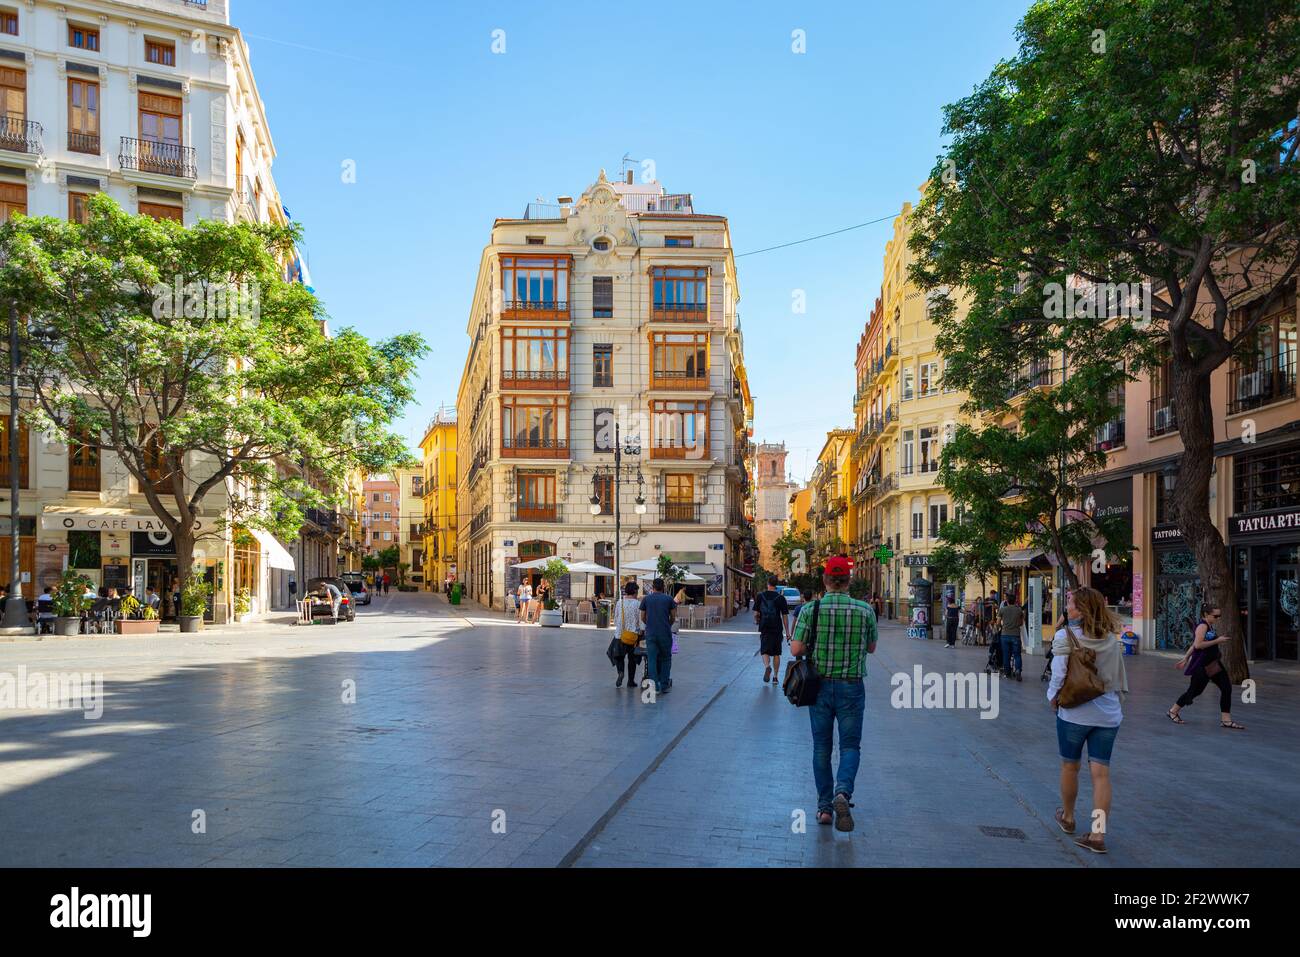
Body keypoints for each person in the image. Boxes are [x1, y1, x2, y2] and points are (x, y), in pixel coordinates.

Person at [790, 556, 877, 832]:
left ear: (825, 581)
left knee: (821, 748)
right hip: (852, 686)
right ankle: (843, 792)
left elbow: (795, 650)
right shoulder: (865, 610)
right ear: (848, 581)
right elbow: (872, 648)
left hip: (821, 686)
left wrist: (814, 647)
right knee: (850, 746)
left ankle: (825, 809)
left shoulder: (810, 610)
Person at [1047, 586, 1128, 854]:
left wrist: (1052, 698)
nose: (1067, 606)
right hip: (1107, 714)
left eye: (1070, 603)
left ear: (1081, 609)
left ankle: (1068, 818)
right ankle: (1098, 833)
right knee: (1101, 774)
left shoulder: (1064, 636)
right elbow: (1117, 677)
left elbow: (1058, 675)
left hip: (1074, 713)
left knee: (1070, 767)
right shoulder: (1110, 639)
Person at [1168, 607, 1243, 730]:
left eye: (1219, 616)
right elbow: (1198, 645)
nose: (1218, 618)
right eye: (1215, 616)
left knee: (1226, 688)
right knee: (1194, 691)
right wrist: (1217, 640)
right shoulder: (1202, 626)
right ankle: (1173, 711)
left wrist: (1186, 657)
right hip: (1202, 665)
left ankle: (1226, 720)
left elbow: (1194, 644)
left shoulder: (1210, 625)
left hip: (1214, 664)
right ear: (1206, 614)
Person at [639, 577, 676, 694]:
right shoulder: (669, 599)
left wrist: (649, 624)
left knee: (652, 659)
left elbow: (642, 617)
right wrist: (667, 625)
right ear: (663, 587)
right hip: (665, 632)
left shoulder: (646, 599)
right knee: (666, 658)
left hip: (650, 633)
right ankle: (664, 684)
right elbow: (673, 617)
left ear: (653, 587)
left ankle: (654, 686)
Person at [754, 578, 790, 685]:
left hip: (764, 627)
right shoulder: (781, 598)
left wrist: (757, 621)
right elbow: (784, 616)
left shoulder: (760, 596)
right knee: (776, 653)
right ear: (776, 585)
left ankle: (767, 666)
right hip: (777, 628)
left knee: (764, 650)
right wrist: (787, 632)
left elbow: (756, 614)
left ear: (767, 584)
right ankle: (775, 677)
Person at [612, 581, 644, 689]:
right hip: (633, 636)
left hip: (620, 635)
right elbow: (640, 621)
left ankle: (620, 673)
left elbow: (616, 620)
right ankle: (631, 681)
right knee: (632, 659)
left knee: (619, 657)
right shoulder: (638, 604)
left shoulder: (619, 603)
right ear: (635, 591)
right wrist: (641, 631)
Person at [998, 596, 1025, 680]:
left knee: (1006, 655)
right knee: (1017, 655)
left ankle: (1007, 673)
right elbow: (1022, 623)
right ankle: (1018, 670)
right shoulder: (1019, 610)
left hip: (1005, 635)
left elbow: (998, 622)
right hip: (1015, 635)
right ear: (1015, 601)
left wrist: (1002, 626)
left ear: (1007, 601)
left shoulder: (1002, 610)